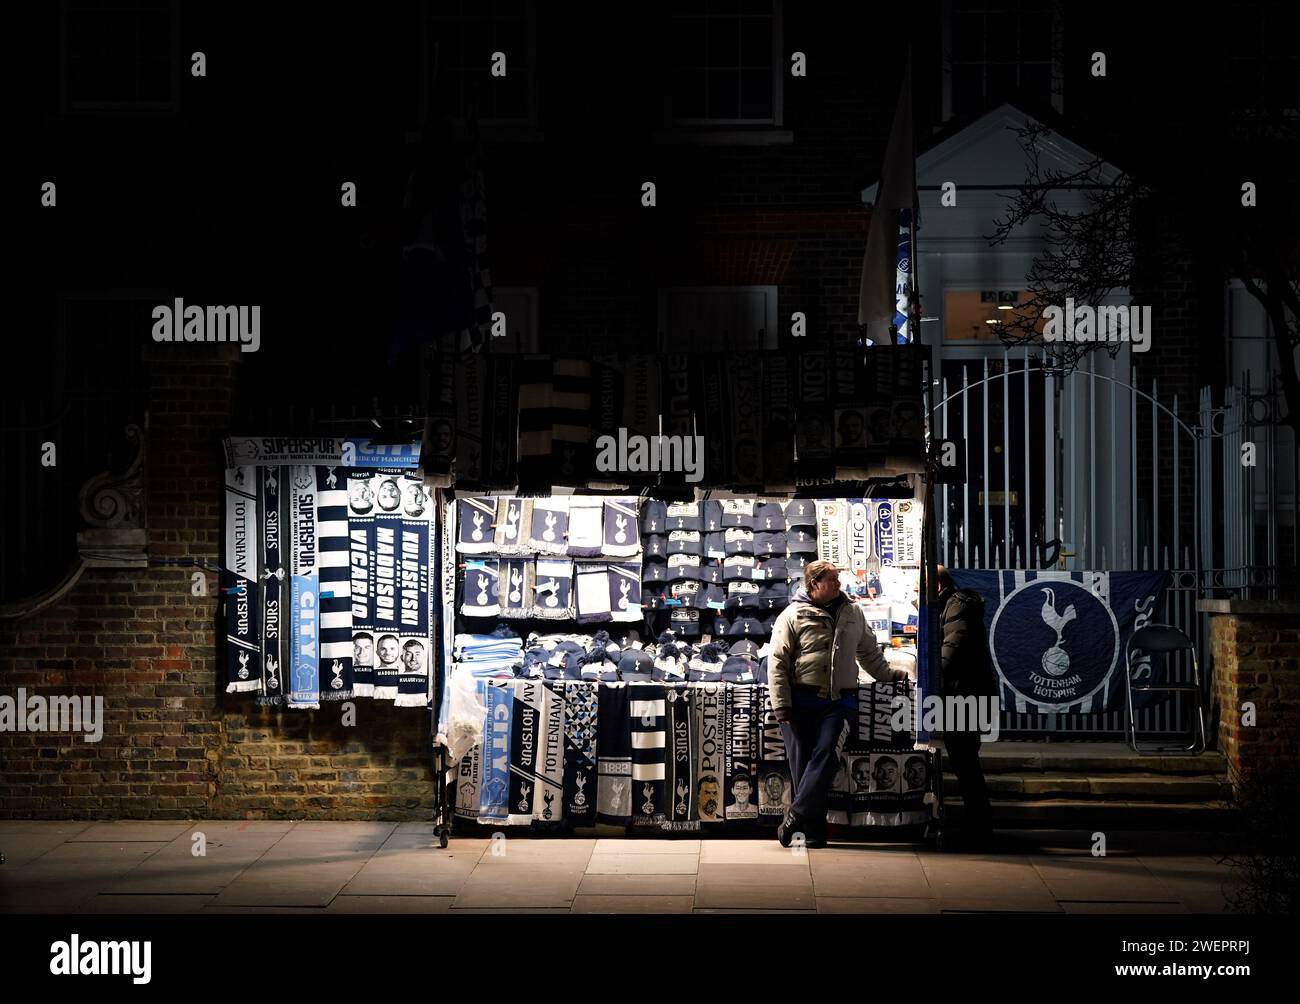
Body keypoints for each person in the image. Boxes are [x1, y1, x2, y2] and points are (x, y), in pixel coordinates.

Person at [768, 559, 909, 848]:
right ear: (813, 584)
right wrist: (781, 705)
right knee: (803, 766)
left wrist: (890, 674)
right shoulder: (792, 615)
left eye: (837, 579)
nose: (838, 584)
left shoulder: (853, 612)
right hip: (801, 700)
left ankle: (795, 814)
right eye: (831, 579)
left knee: (826, 756)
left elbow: (869, 653)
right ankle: (813, 832)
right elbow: (778, 662)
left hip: (840, 702)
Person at [935, 564, 1000, 848]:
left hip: (965, 696)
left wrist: (934, 675)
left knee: (966, 763)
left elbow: (953, 645)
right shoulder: (951, 604)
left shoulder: (957, 607)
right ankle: (978, 826)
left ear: (936, 586)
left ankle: (980, 830)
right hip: (967, 693)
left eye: (918, 587)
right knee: (965, 763)